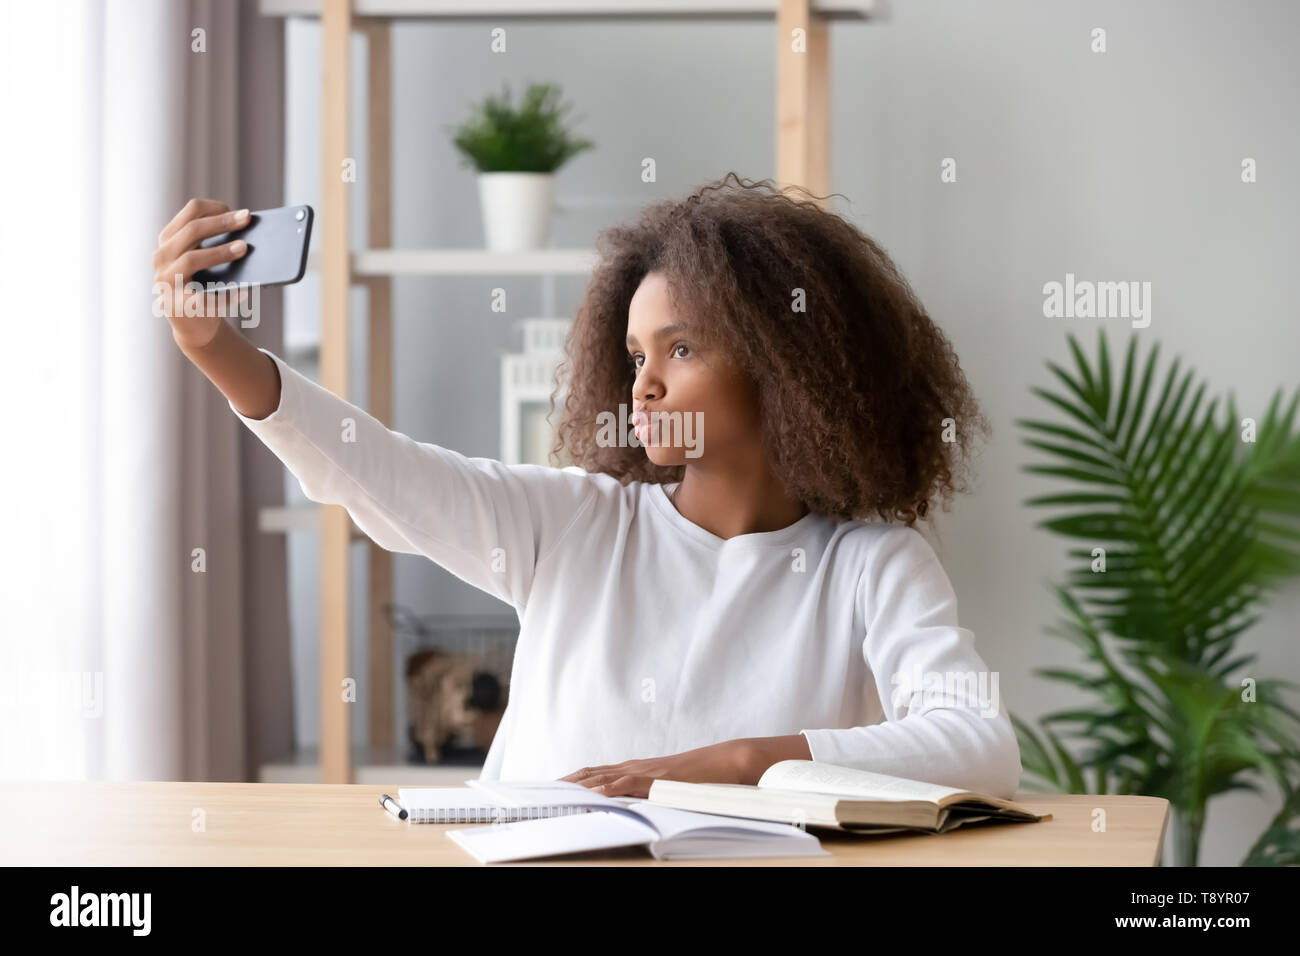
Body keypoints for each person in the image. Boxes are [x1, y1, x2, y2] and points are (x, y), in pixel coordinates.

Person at [154, 173, 1022, 800]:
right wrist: (215, 350)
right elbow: (380, 474)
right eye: (637, 354)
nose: (641, 382)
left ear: (786, 367)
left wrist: (725, 762)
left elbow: (979, 745)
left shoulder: (870, 565)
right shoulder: (574, 522)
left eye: (680, 350)